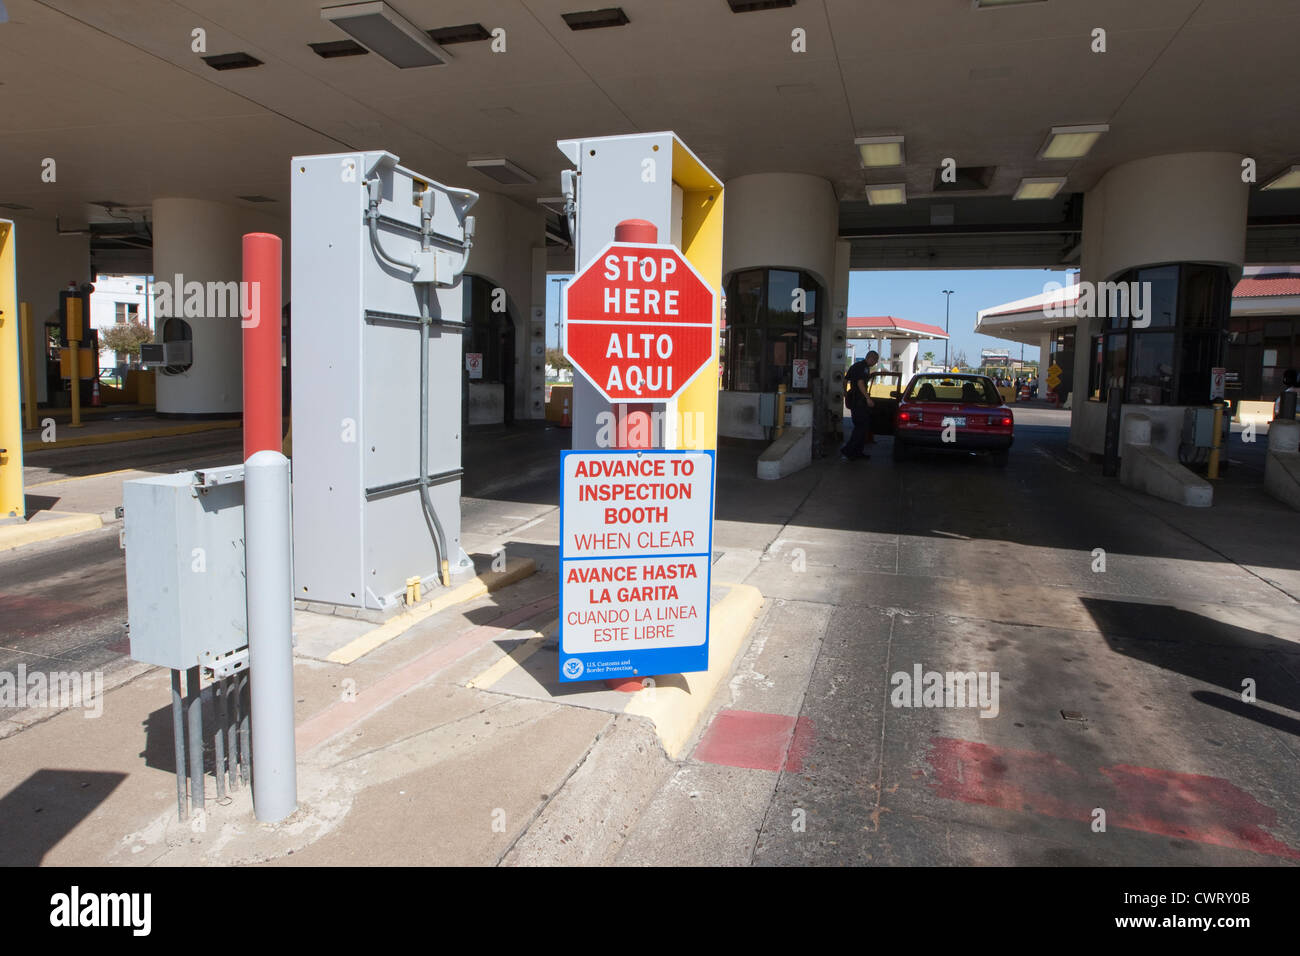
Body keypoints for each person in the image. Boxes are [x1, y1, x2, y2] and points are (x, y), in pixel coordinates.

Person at [841, 350, 879, 461]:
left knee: (861, 427)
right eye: (875, 361)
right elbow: (860, 383)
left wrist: (845, 392)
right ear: (871, 358)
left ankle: (857, 452)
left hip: (854, 399)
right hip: (859, 401)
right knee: (861, 427)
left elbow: (845, 380)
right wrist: (868, 399)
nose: (875, 363)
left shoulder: (855, 366)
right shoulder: (863, 367)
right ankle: (848, 450)